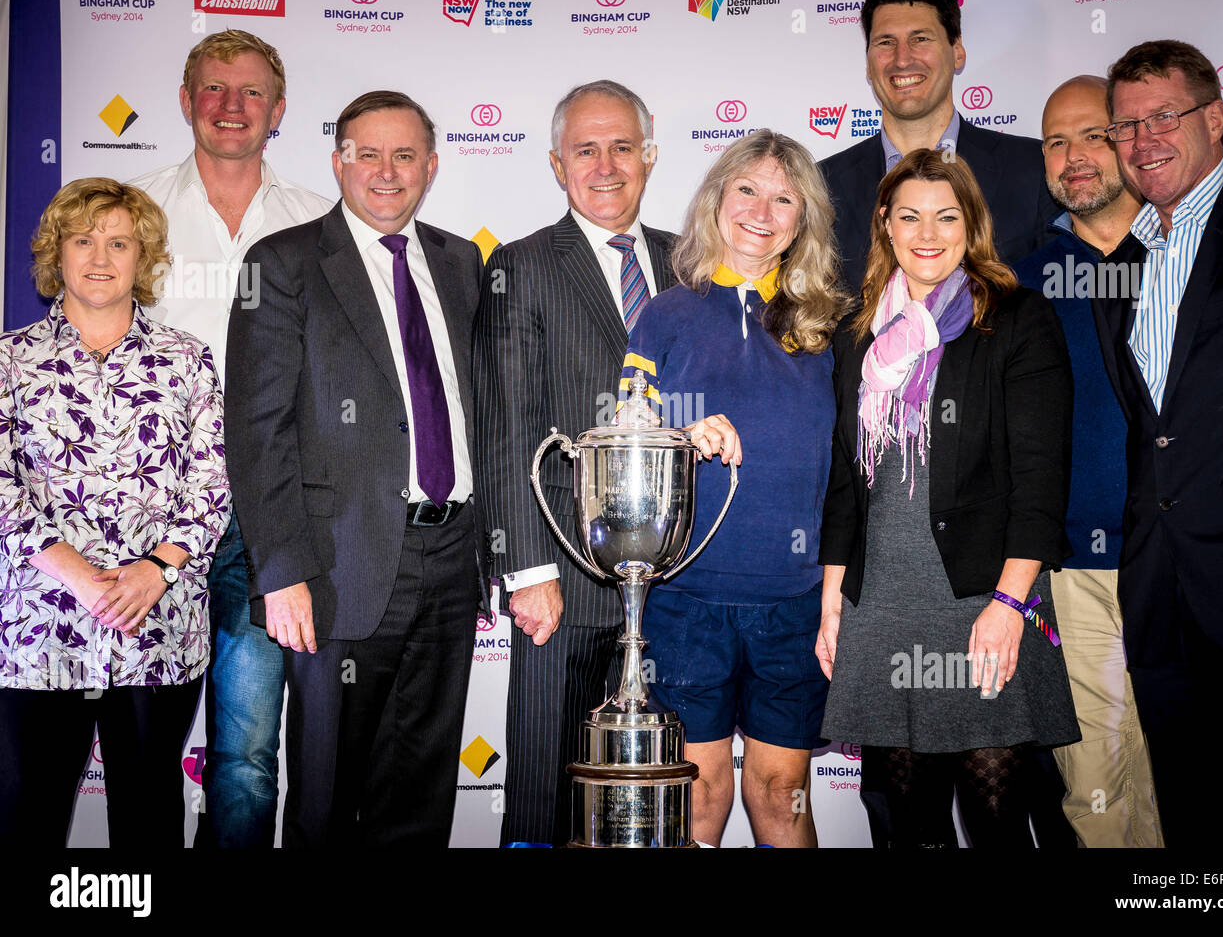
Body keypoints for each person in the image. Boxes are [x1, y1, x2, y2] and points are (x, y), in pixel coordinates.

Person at [225, 91, 482, 847]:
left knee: (421, 788)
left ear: (431, 166)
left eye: (405, 155)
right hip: (337, 565)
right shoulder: (283, 262)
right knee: (327, 794)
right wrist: (280, 571)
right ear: (339, 163)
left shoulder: (461, 262)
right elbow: (257, 430)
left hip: (451, 555)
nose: (387, 172)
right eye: (368, 154)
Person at [817, 149, 1079, 848]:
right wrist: (833, 598)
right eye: (909, 216)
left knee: (998, 825)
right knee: (907, 826)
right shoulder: (859, 332)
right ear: (885, 223)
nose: (927, 233)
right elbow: (846, 478)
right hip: (880, 603)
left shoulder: (1017, 318)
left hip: (980, 598)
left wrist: (1009, 605)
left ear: (972, 224)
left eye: (946, 216)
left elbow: (1041, 479)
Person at [1093, 40, 1223, 847]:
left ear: (1216, 118)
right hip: (1161, 592)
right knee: (1194, 824)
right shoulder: (1120, 268)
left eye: (1163, 117)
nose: (1142, 141)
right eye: (1125, 126)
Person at [130, 29, 332, 848]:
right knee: (140, 750)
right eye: (214, 88)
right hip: (150, 515)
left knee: (246, 753)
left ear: (278, 112)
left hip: (266, 513)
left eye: (252, 92)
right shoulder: (132, 212)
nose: (231, 106)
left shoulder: (317, 220)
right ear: (186, 102)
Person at [618, 130, 843, 846]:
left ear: (804, 219)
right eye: (746, 190)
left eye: (784, 199)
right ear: (716, 199)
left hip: (796, 601)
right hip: (687, 601)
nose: (761, 212)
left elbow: (856, 472)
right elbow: (625, 452)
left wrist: (836, 593)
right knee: (699, 795)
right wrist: (680, 434)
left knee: (783, 796)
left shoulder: (831, 323)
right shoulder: (663, 315)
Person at [474, 80, 677, 847]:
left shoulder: (691, 261)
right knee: (546, 781)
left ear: (649, 155)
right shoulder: (521, 265)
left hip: (678, 577)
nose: (606, 165)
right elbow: (506, 425)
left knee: (653, 788)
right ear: (557, 164)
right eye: (585, 150)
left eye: (622, 147)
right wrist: (528, 569)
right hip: (563, 567)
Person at [0, 177, 230, 846]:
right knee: (26, 815)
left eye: (119, 243)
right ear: (57, 252)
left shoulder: (187, 361)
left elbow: (212, 482)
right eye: (83, 240)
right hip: (41, 632)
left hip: (157, 628)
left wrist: (158, 569)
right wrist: (76, 574)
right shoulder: (10, 360)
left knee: (149, 818)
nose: (100, 258)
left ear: (143, 257)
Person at [1013, 75, 1162, 848]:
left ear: (1128, 138)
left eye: (1093, 135)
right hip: (1069, 573)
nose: (1073, 156)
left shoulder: (1182, 255)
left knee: (1183, 778)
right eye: (1055, 141)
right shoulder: (1018, 283)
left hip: (1183, 566)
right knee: (1095, 790)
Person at [821, 0, 1056, 296]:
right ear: (868, 63)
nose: (902, 59)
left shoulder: (1031, 169)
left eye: (920, 39)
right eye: (886, 42)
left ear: (957, 52)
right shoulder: (823, 187)